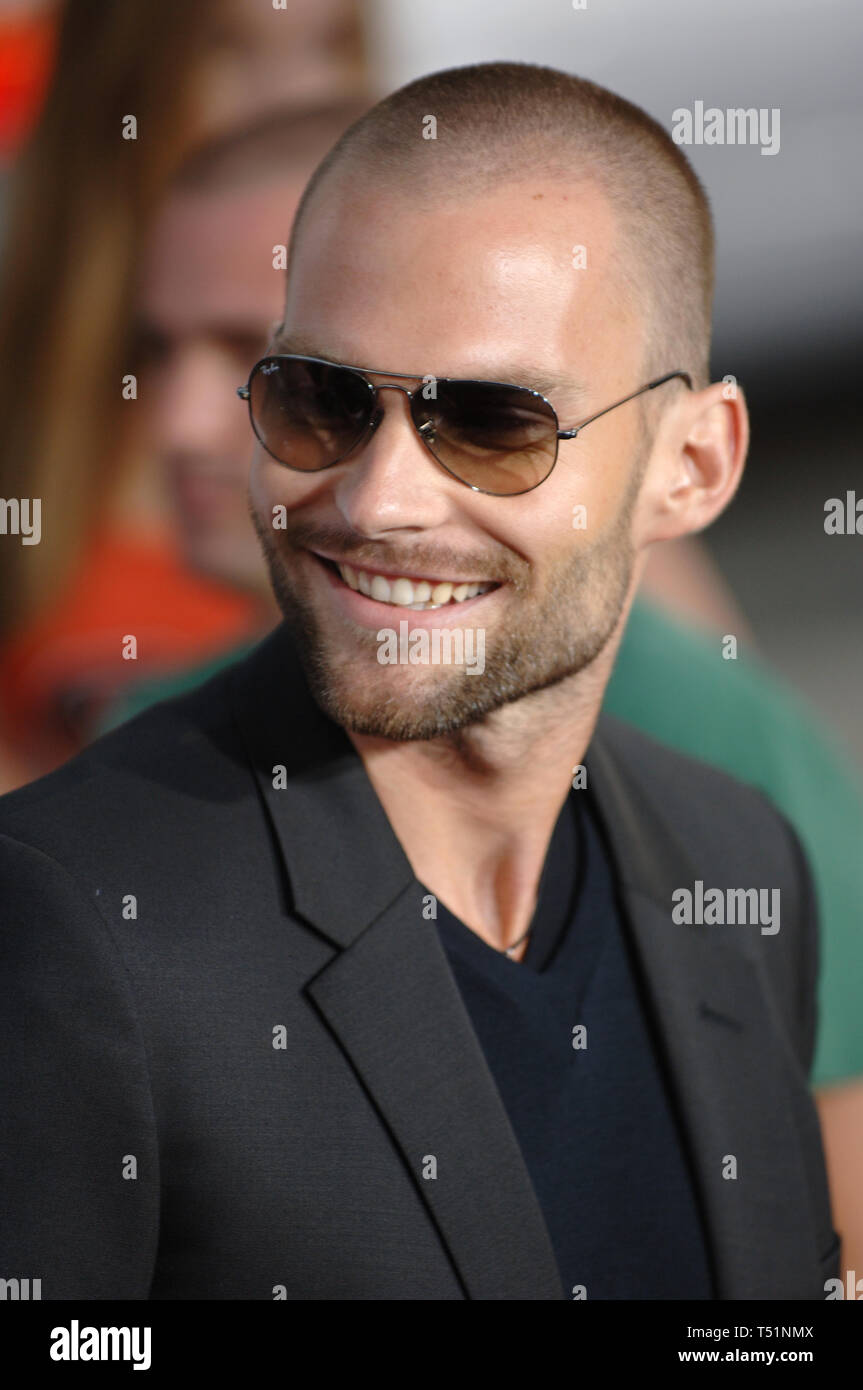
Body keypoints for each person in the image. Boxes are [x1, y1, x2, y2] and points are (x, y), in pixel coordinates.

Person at [0, 62, 839, 1300]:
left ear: (693, 467)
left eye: (493, 422)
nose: (376, 500)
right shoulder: (78, 921)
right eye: (318, 399)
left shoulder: (738, 863)